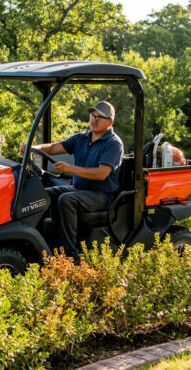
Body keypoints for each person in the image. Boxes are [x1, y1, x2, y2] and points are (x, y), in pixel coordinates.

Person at [22, 100, 124, 260]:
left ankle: (71, 255)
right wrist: (32, 148)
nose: (94, 120)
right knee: (42, 195)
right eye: (93, 115)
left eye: (100, 117)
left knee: (66, 200)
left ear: (109, 122)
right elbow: (53, 148)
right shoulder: (81, 138)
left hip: (101, 195)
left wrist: (69, 169)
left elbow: (102, 174)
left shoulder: (114, 144)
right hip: (78, 188)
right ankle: (37, 242)